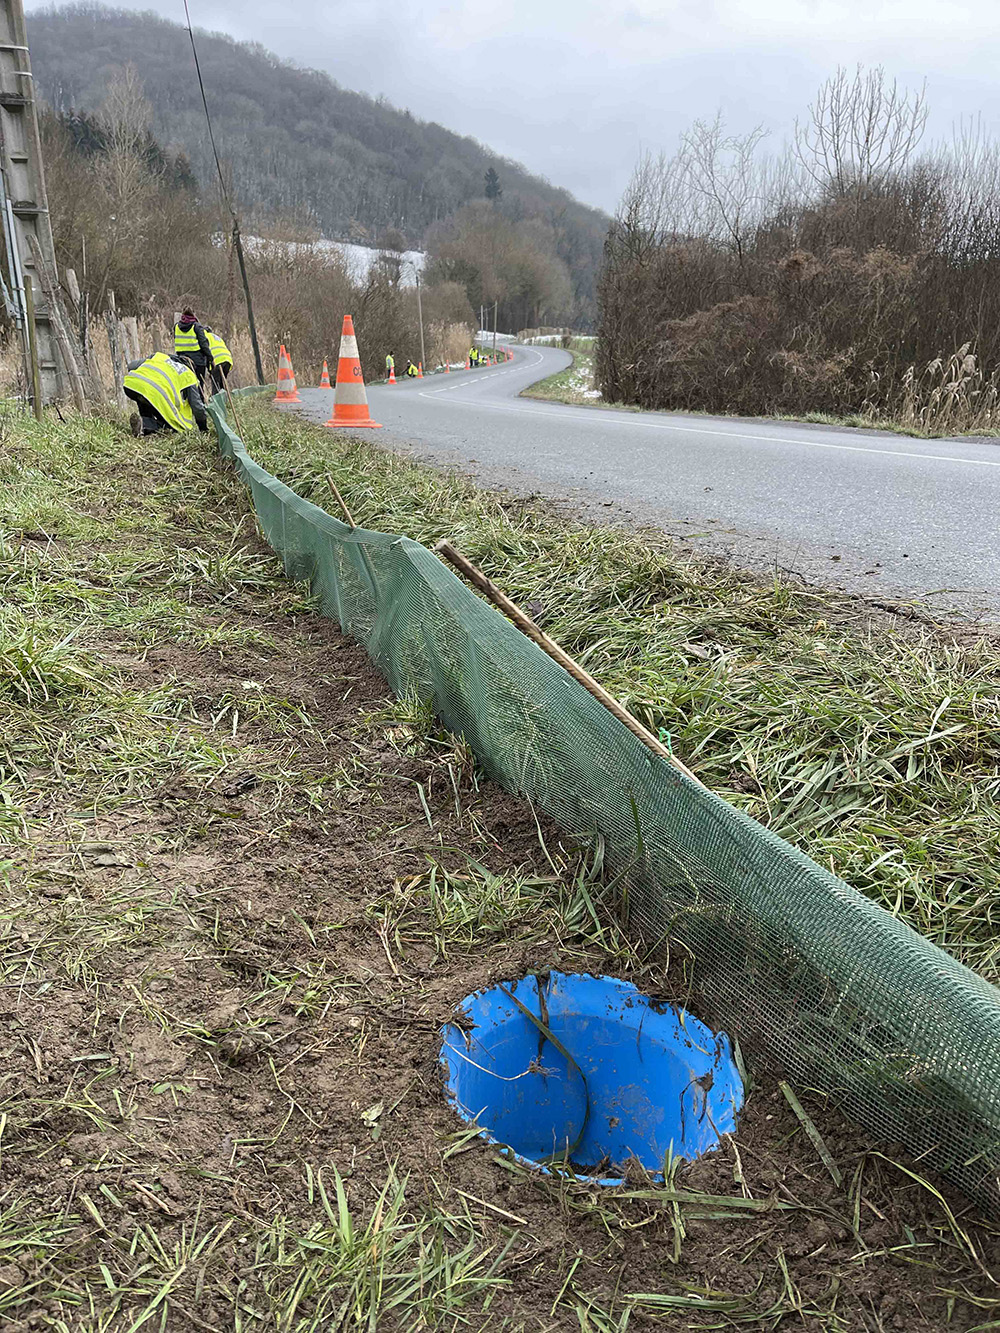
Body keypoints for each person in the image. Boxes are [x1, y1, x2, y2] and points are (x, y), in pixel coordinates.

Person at [124, 351, 209, 437]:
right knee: (172, 428)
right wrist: (203, 427)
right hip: (153, 393)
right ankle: (145, 424)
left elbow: (131, 365)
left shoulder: (160, 357)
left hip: (131, 384)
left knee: (146, 398)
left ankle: (143, 425)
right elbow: (197, 406)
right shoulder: (188, 374)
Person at [173, 307, 212, 387]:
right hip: (197, 361)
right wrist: (210, 357)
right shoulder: (197, 327)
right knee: (199, 386)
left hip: (181, 360)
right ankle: (200, 399)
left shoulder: (176, 327)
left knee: (185, 386)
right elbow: (204, 344)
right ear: (194, 315)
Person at [203, 326, 233, 393]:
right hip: (227, 359)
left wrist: (209, 369)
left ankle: (216, 401)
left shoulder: (205, 337)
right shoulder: (217, 337)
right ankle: (225, 399)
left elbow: (206, 353)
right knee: (222, 383)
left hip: (217, 361)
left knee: (216, 385)